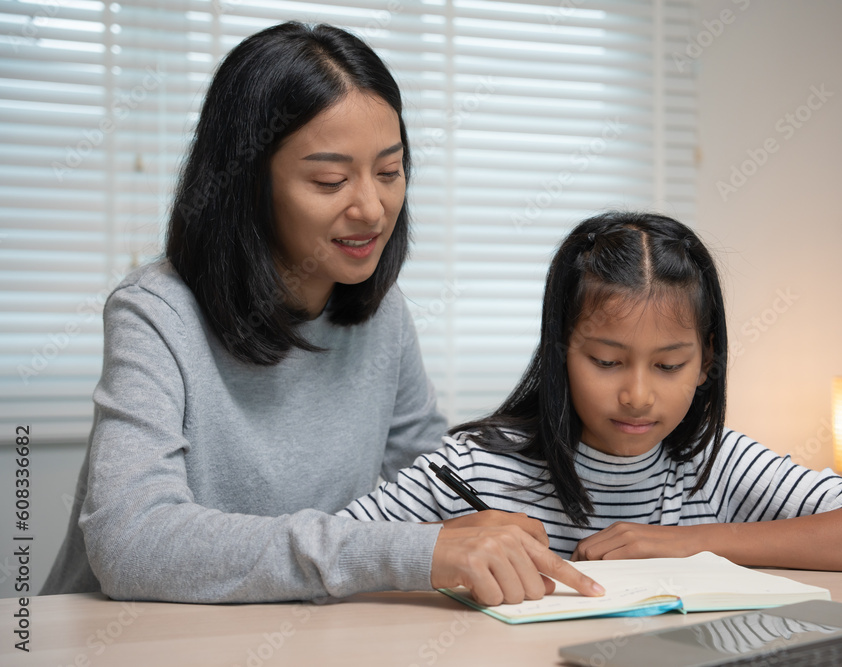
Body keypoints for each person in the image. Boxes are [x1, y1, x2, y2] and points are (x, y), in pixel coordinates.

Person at [41, 21, 601, 606]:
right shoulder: (155, 314)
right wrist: (413, 552)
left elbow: (438, 489)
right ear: (248, 185)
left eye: (390, 171)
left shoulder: (380, 316)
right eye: (331, 179)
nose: (372, 207)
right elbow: (132, 544)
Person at [338, 211, 842, 571]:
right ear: (559, 353)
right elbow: (330, 550)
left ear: (706, 363)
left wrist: (693, 546)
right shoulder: (478, 467)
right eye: (606, 361)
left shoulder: (715, 464)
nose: (637, 395)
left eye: (669, 365)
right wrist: (445, 543)